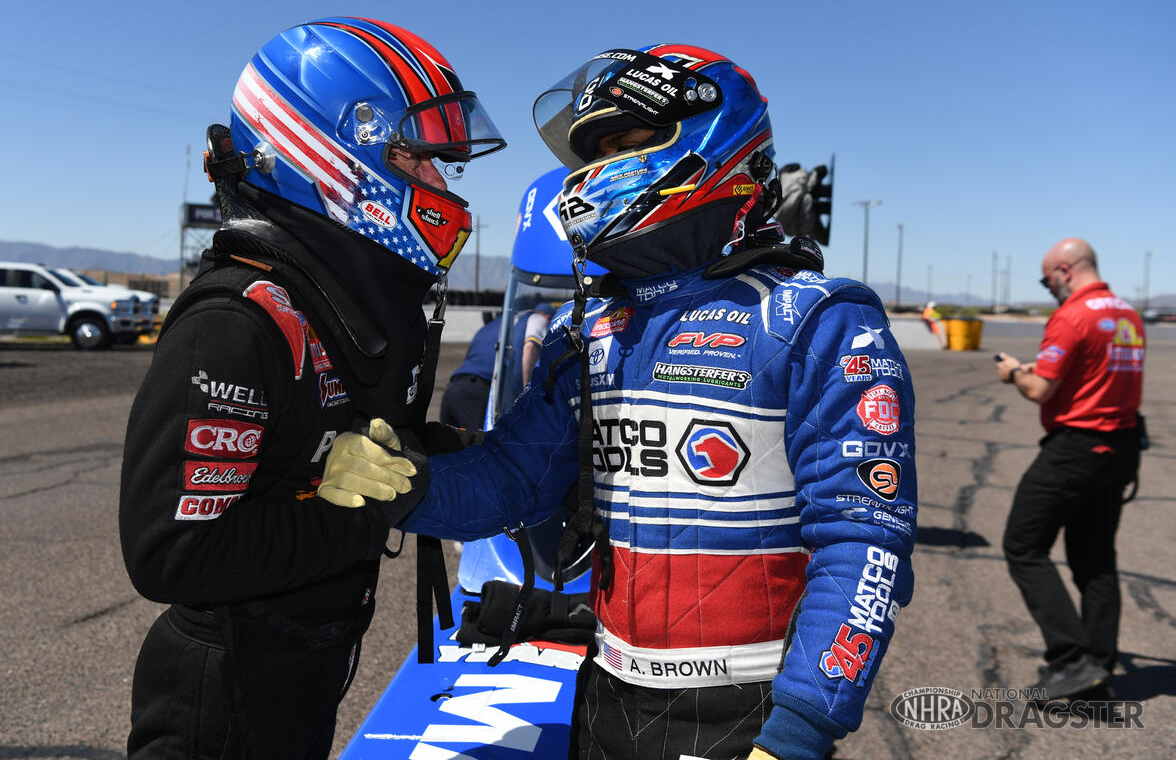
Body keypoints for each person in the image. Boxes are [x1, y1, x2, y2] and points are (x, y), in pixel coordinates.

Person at [322, 44, 917, 760]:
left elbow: (864, 543)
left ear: (714, 140)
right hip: (605, 692)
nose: (603, 169)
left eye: (628, 143)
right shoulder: (592, 325)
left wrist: (799, 731)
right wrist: (405, 485)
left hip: (749, 713)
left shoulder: (816, 318)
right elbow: (514, 482)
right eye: (597, 153)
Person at [117, 17, 505, 758]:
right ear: (328, 150)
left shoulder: (345, 297)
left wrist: (467, 455)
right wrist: (370, 508)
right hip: (225, 691)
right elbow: (171, 553)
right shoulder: (237, 319)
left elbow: (350, 447)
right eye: (417, 159)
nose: (438, 184)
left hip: (307, 663)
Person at [995, 237, 1145, 700]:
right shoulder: (1128, 314)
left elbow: (1041, 389)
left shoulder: (1073, 314)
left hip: (1077, 447)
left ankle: (1072, 660)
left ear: (1064, 270)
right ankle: (1096, 668)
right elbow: (1095, 372)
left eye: (1047, 281)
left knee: (1023, 545)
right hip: (1120, 446)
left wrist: (1014, 373)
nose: (1050, 289)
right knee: (1095, 559)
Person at [439, 302, 554, 431]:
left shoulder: (490, 326)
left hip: (452, 391)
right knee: (482, 443)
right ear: (548, 318)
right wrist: (528, 393)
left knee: (448, 442)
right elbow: (530, 347)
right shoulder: (538, 319)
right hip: (478, 394)